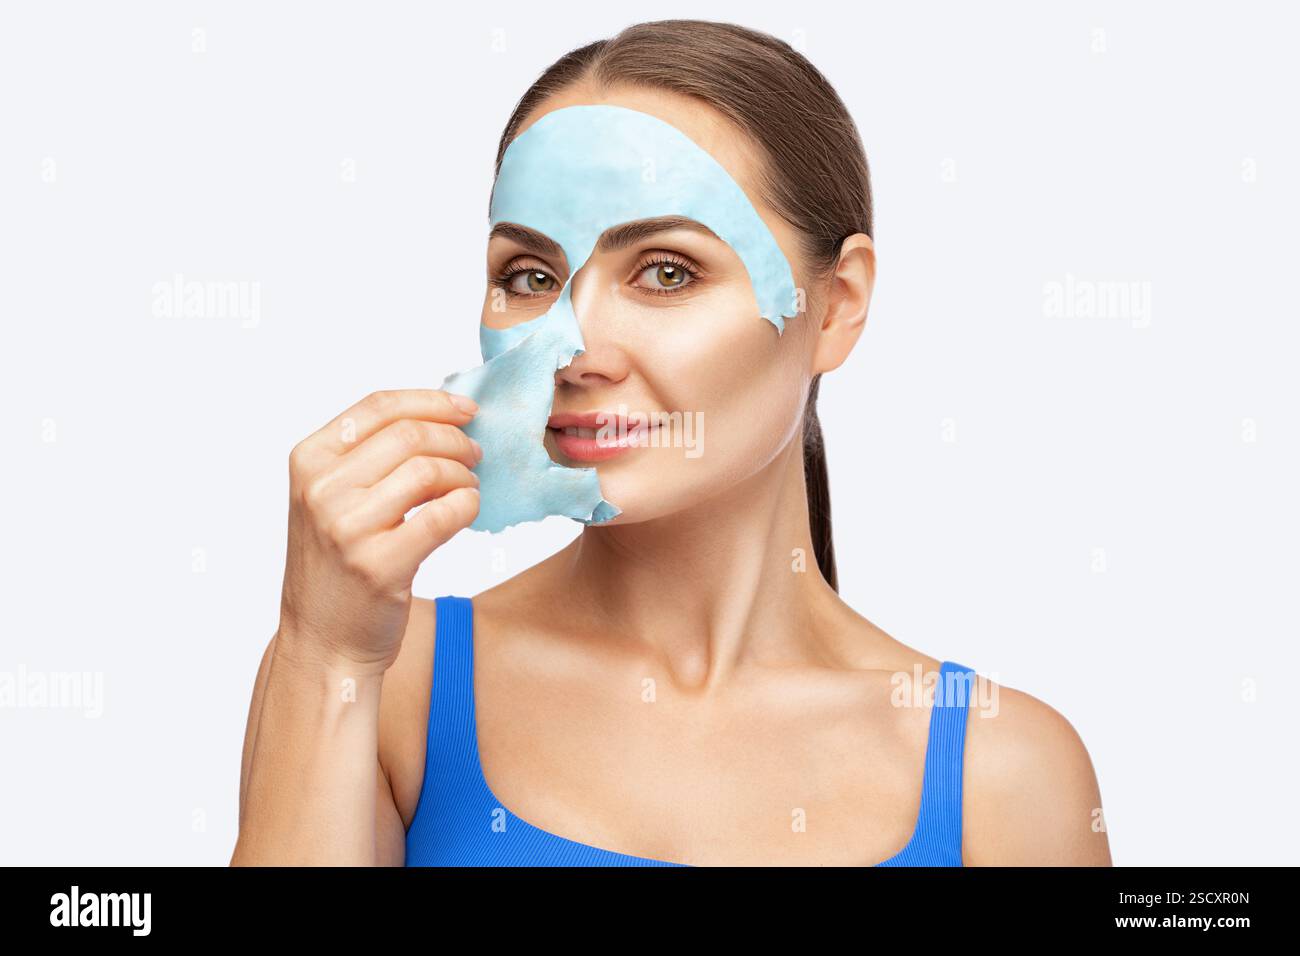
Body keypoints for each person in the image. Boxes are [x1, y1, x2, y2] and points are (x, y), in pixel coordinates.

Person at [231, 19, 1112, 867]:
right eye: (531, 277)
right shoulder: (389, 685)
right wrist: (323, 650)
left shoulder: (1005, 774)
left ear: (835, 307)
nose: (575, 349)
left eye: (666, 271)